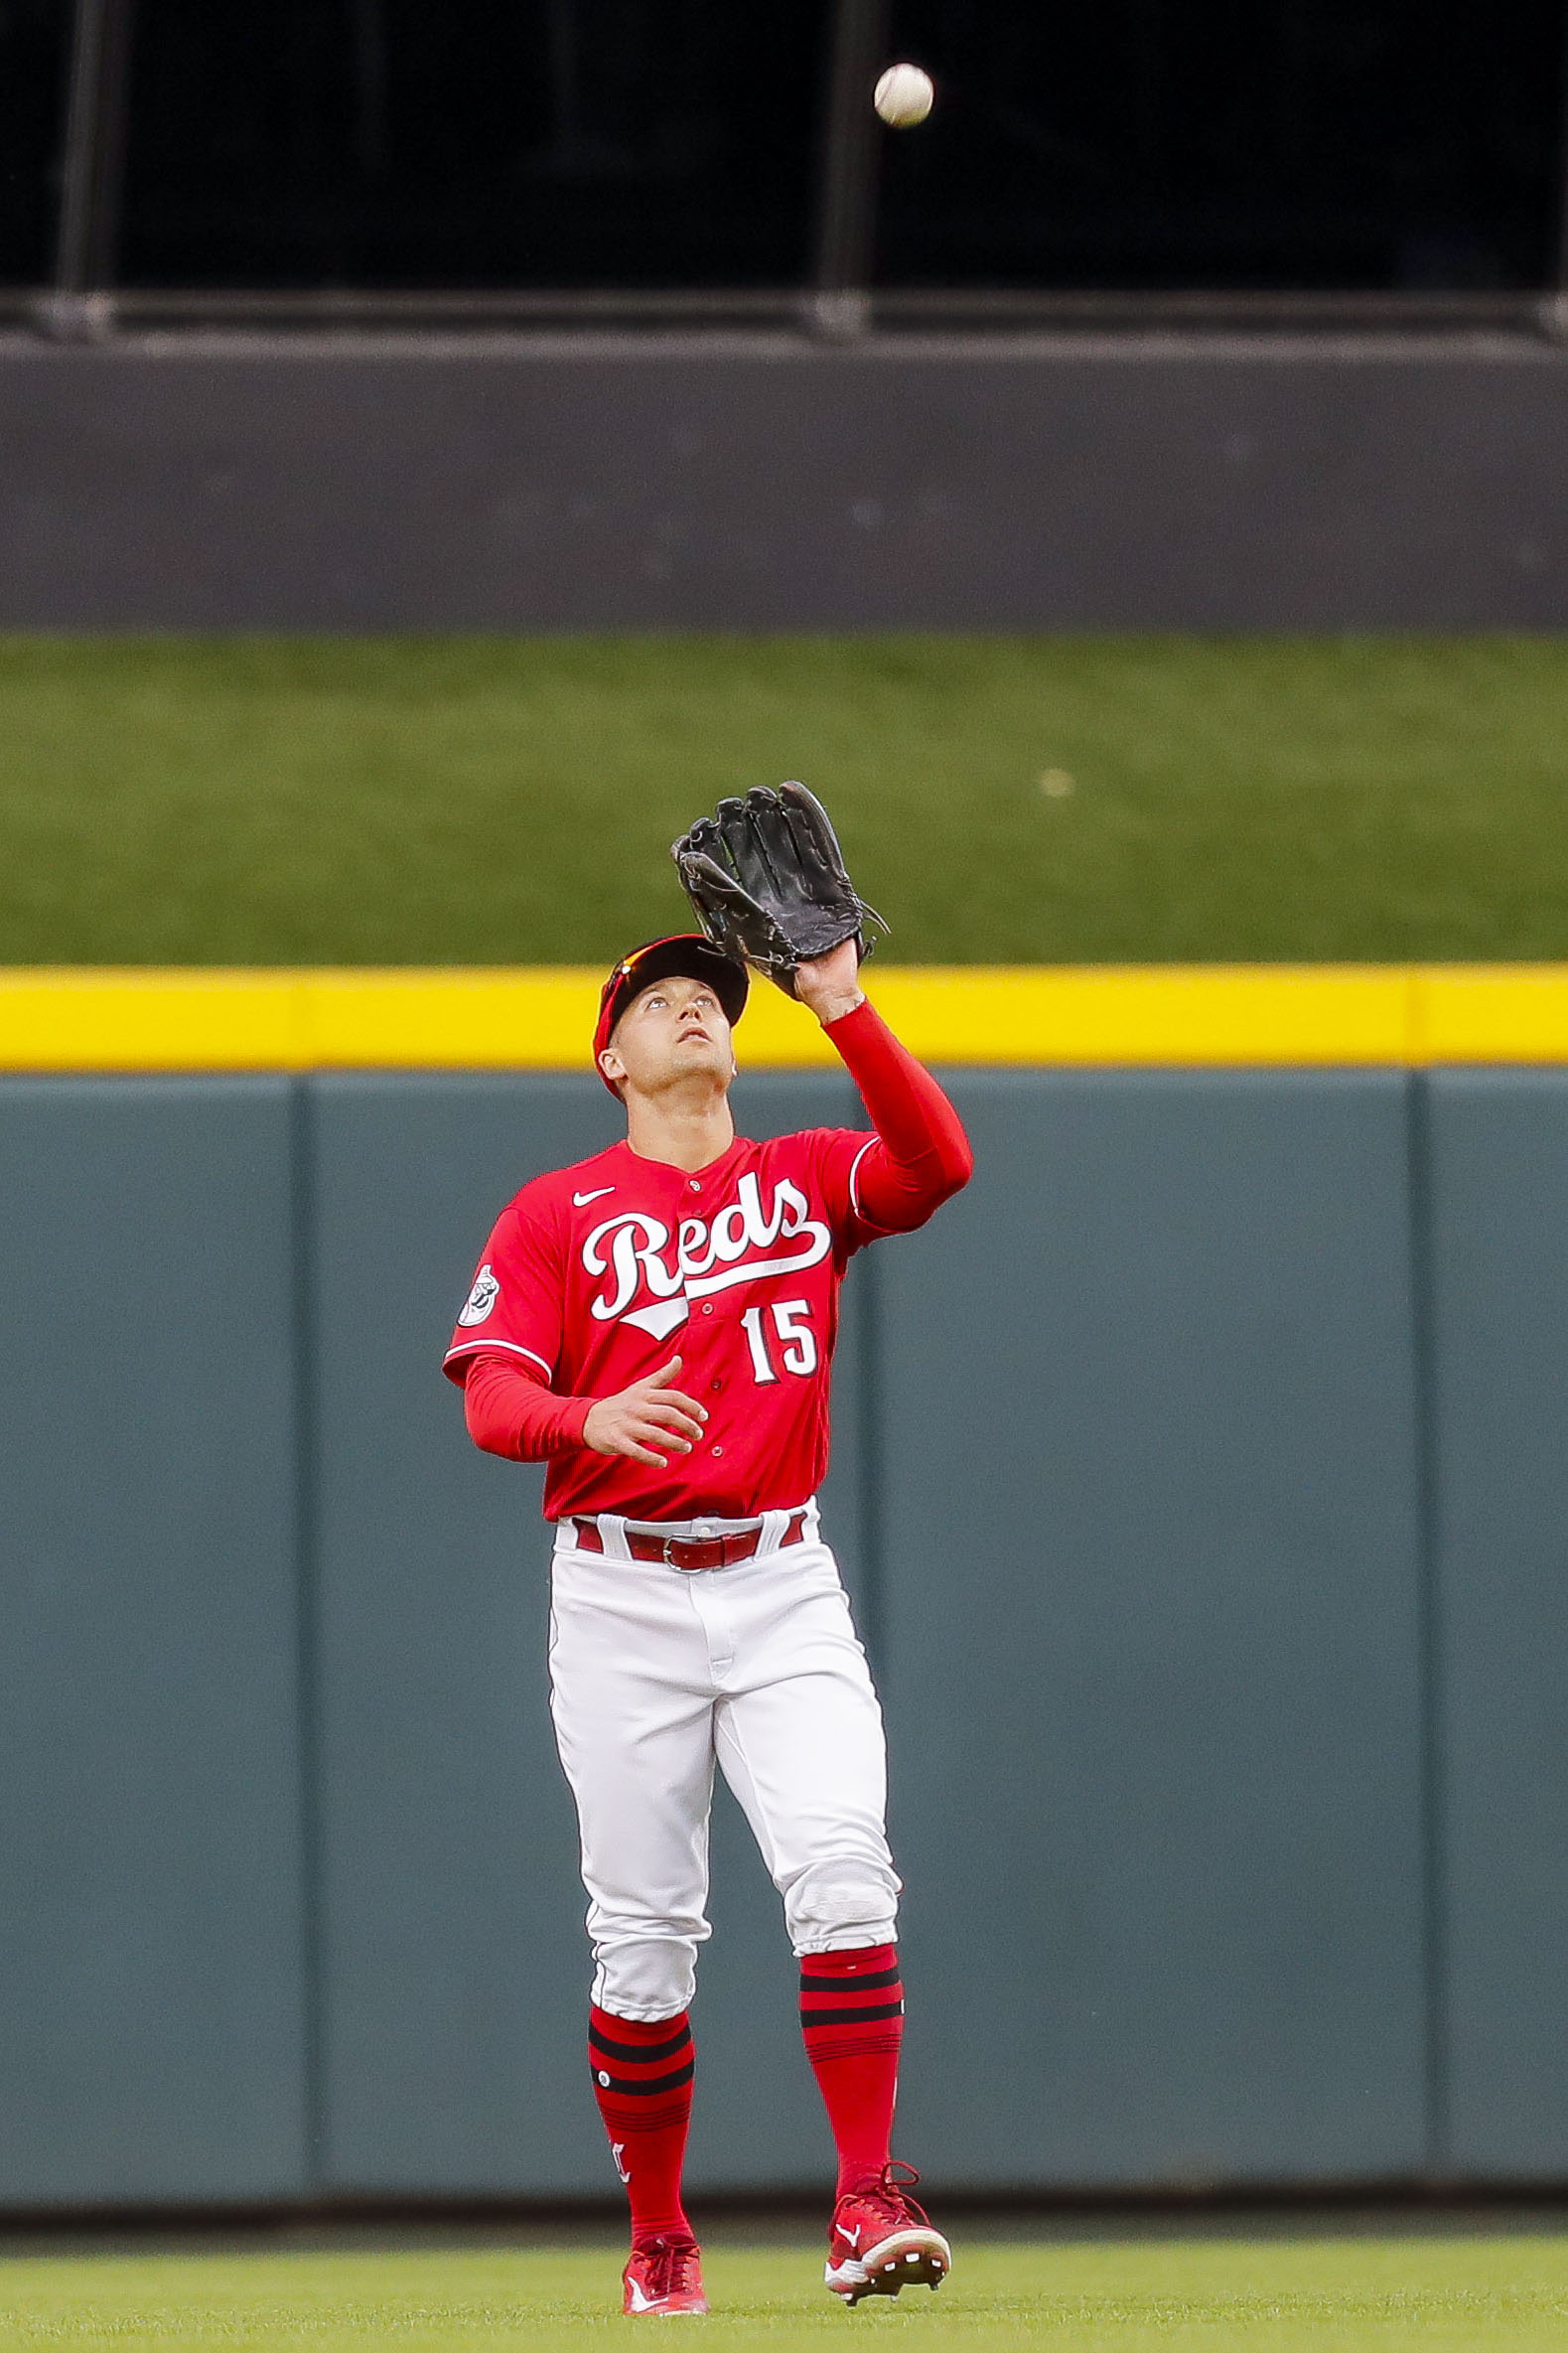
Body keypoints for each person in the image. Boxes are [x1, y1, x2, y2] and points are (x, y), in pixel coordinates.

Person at [444, 931, 972, 2315]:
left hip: (781, 1576)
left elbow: (935, 1167)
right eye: (658, 1000)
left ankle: (866, 2197)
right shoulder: (557, 1210)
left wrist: (845, 1004)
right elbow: (492, 1397)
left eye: (712, 998)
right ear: (611, 1055)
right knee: (642, 1937)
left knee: (847, 1869)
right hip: (620, 1590)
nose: (693, 1009)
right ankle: (661, 2232)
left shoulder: (802, 1179)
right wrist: (584, 1415)